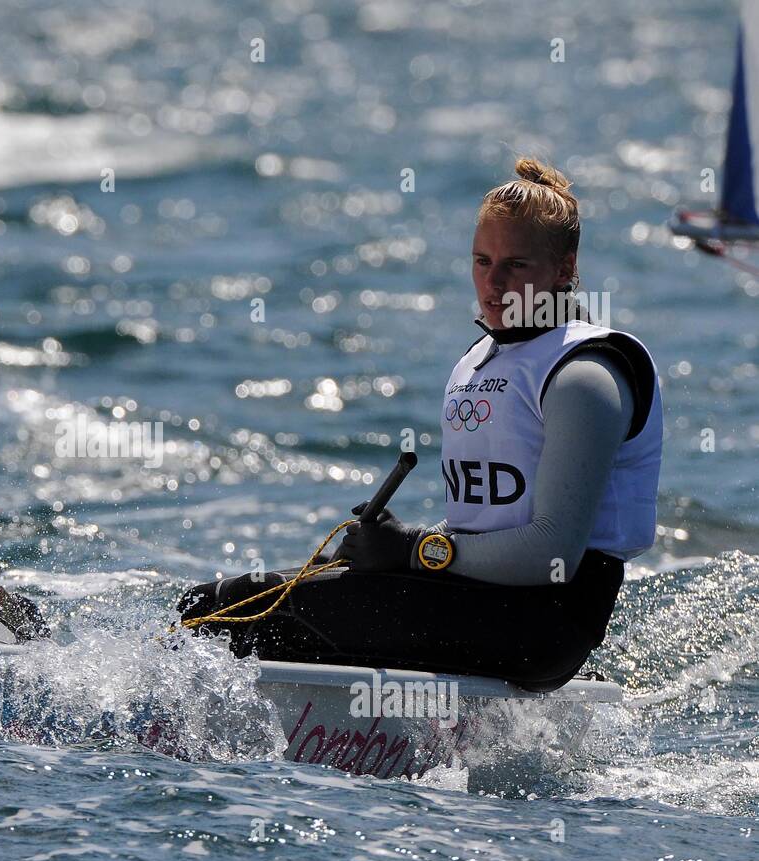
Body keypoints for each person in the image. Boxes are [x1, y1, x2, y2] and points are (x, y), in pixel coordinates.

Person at [179, 159, 663, 692]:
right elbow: (484, 531)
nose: (494, 282)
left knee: (217, 615)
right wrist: (384, 550)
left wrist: (412, 550)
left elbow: (551, 553)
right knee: (229, 599)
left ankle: (181, 740)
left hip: (542, 624)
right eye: (482, 261)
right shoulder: (480, 361)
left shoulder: (586, 376)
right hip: (476, 600)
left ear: (564, 268)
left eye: (516, 265)